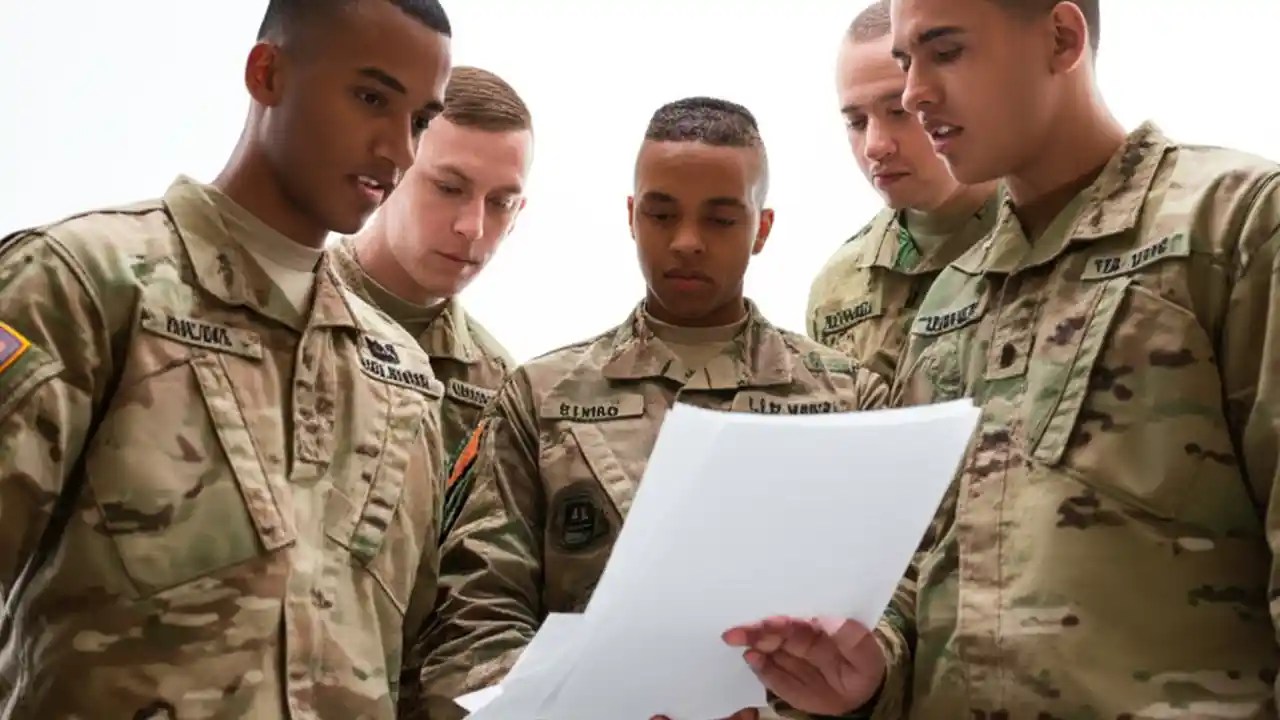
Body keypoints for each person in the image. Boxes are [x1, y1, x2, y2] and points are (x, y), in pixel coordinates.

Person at [724, 0, 1280, 717]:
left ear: (1061, 37)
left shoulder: (1232, 226)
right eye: (905, 62)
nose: (916, 92)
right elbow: (922, 561)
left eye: (945, 52)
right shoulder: (952, 299)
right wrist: (868, 671)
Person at [0, 1, 454, 717]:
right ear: (267, 73)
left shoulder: (399, 375)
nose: (399, 149)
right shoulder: (85, 284)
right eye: (371, 98)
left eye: (421, 122)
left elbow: (413, 663)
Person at [405, 96, 891, 720]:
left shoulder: (850, 403)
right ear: (632, 217)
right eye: (662, 214)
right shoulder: (541, 397)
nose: (687, 242)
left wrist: (859, 675)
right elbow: (479, 608)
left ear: (762, 228)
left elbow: (901, 596)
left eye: (720, 220)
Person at [329, 65, 529, 465]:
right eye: (449, 188)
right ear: (391, 172)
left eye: (500, 203)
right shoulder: (277, 308)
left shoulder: (504, 393)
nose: (472, 227)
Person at [806, 0, 998, 380]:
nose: (875, 146)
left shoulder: (1045, 237)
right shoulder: (838, 288)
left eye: (899, 112)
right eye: (857, 122)